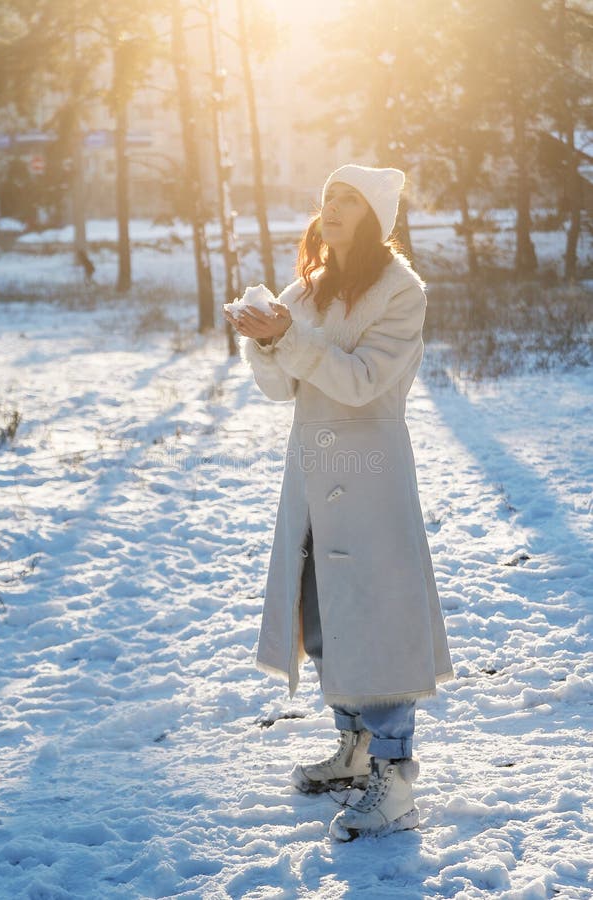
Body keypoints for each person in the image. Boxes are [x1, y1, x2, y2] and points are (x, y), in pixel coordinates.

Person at [223, 164, 454, 842]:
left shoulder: (399, 290)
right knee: (322, 611)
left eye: (348, 199)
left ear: (376, 217)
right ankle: (353, 748)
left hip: (371, 469)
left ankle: (394, 774)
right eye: (326, 195)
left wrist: (288, 337)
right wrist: (264, 338)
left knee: (378, 615)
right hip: (314, 467)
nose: (331, 207)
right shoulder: (310, 287)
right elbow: (278, 387)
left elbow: (358, 381)